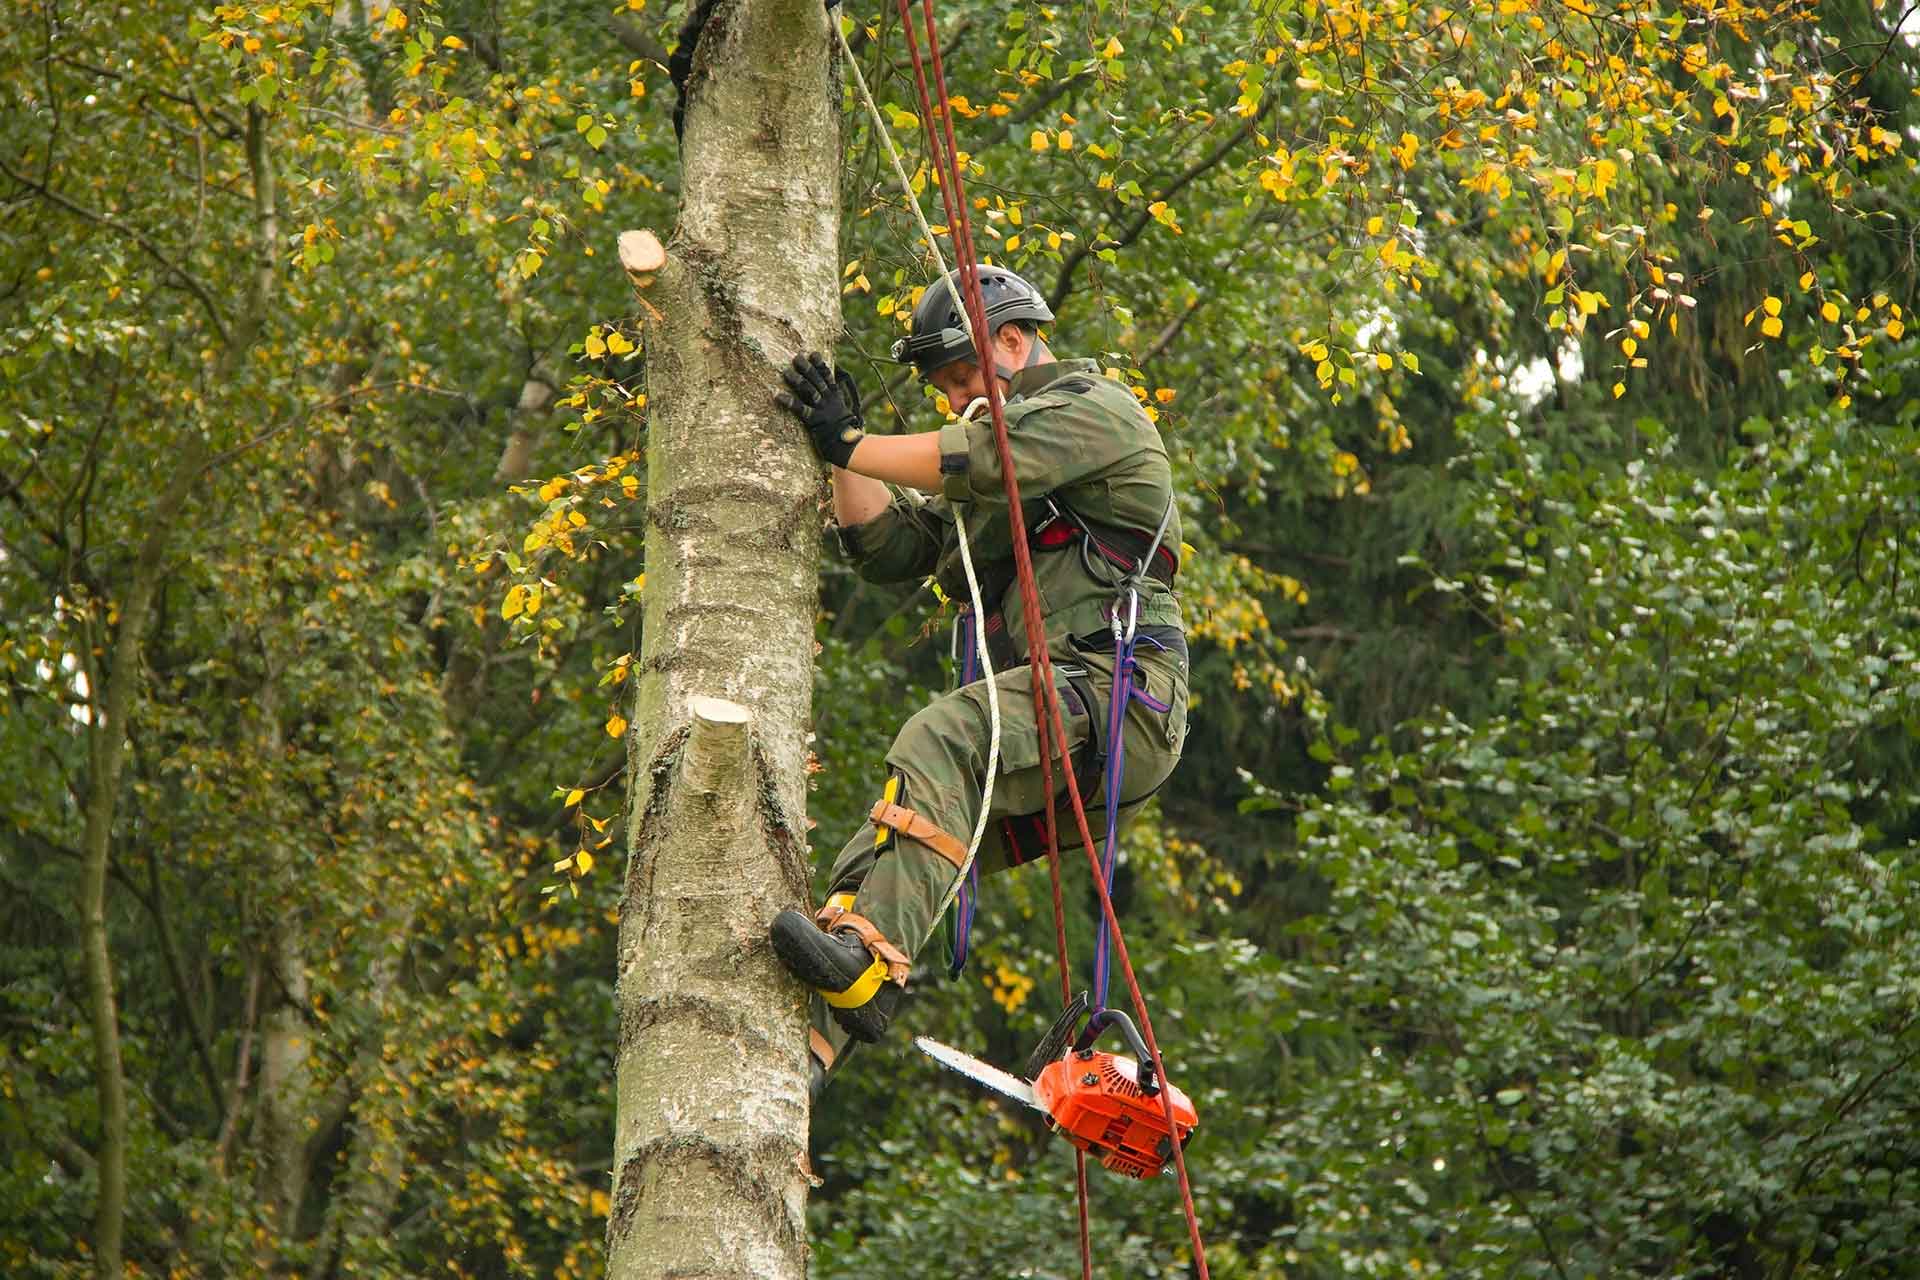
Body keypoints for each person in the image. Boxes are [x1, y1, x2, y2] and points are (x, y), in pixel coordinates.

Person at [769, 266, 1189, 1092]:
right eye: (942, 385)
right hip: (1073, 712)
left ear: (1011, 340)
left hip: (1118, 692)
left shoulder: (1093, 413)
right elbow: (891, 549)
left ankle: (865, 969)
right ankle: (809, 1057)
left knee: (942, 736)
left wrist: (851, 446)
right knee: (888, 843)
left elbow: (986, 454)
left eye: (964, 375)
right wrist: (839, 446)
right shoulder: (995, 467)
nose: (955, 396)